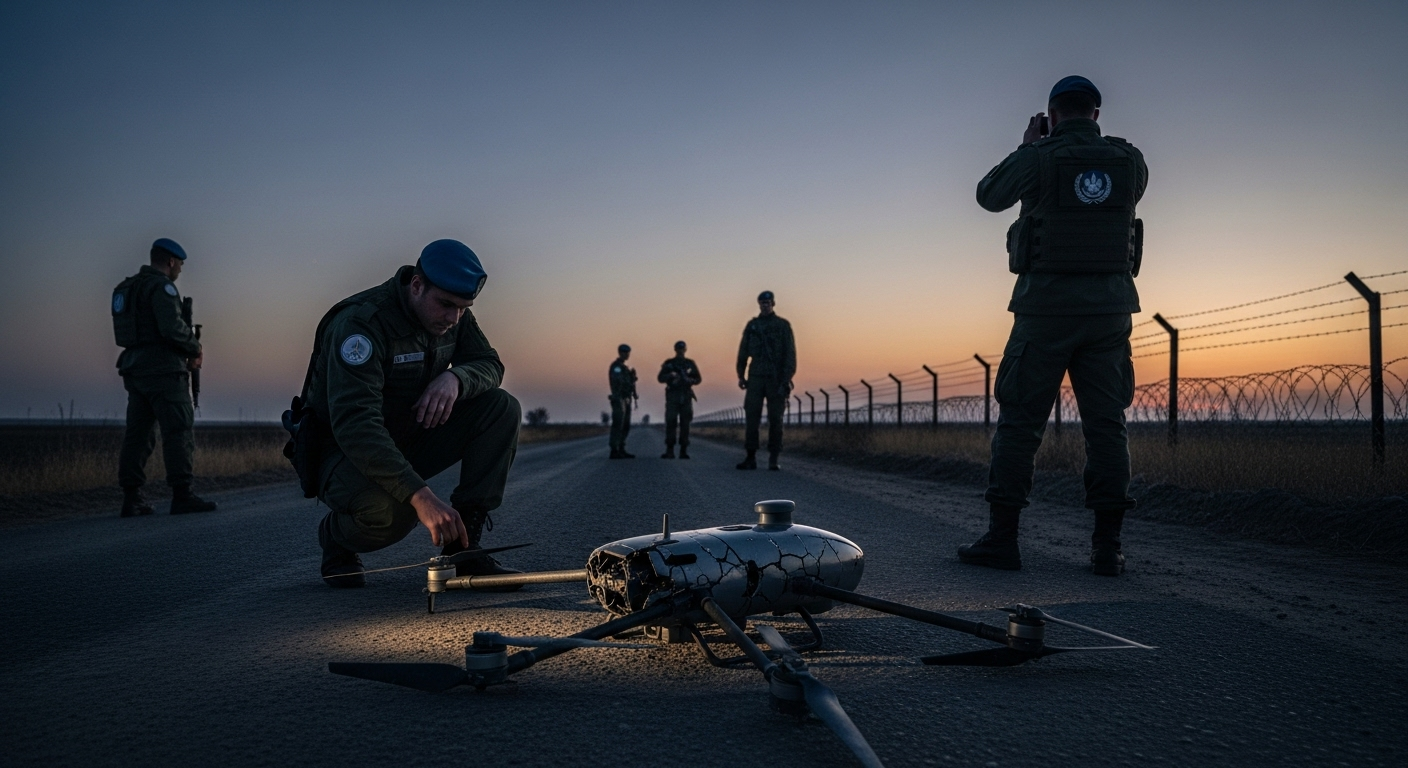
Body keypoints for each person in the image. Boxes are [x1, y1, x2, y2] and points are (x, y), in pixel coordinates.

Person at [959, 76, 1147, 576]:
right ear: (1097, 115)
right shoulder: (1130, 161)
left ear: (1051, 114)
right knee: (1107, 427)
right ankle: (1108, 547)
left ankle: (1003, 540)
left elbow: (988, 196)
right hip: (1108, 312)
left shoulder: (1038, 157)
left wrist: (1029, 147)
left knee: (1021, 423)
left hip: (1044, 311)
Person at [304, 239, 522, 588]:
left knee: (500, 407)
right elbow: (356, 427)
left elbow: (489, 364)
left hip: (406, 436)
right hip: (344, 453)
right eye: (447, 305)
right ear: (416, 285)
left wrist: (456, 378)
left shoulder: (451, 315)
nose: (454, 318)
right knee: (393, 513)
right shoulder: (361, 326)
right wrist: (421, 497)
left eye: (463, 309)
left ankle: (462, 548)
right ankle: (336, 536)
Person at [111, 238, 218, 517]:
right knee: (178, 431)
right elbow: (171, 328)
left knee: (138, 434)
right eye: (179, 264)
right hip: (163, 369)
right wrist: (195, 349)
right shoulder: (162, 287)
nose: (180, 270)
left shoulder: (126, 288)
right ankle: (182, 495)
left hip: (135, 368)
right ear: (170, 261)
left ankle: (131, 497)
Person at [735, 291, 796, 470]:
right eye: (762, 302)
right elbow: (743, 352)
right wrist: (741, 375)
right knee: (752, 417)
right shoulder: (752, 326)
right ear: (759, 304)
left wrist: (786, 379)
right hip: (755, 378)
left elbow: (790, 355)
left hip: (776, 379)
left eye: (768, 302)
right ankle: (751, 457)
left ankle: (773, 458)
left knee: (776, 419)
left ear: (773, 303)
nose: (765, 305)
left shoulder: (783, 325)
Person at [657, 340, 702, 459]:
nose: (680, 351)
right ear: (675, 349)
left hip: (686, 395)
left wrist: (690, 380)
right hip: (673, 396)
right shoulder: (669, 363)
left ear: (685, 350)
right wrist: (670, 376)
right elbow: (660, 378)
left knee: (685, 424)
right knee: (671, 422)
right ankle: (670, 450)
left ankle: (683, 450)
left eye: (682, 348)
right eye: (678, 348)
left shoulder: (690, 364)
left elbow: (698, 379)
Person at [608, 344, 637, 459]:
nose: (626, 354)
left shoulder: (624, 368)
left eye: (628, 352)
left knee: (625, 425)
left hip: (626, 398)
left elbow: (628, 383)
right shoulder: (617, 367)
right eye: (624, 352)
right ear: (620, 353)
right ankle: (614, 450)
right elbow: (618, 382)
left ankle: (621, 448)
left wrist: (632, 378)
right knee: (618, 424)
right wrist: (630, 379)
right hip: (619, 398)